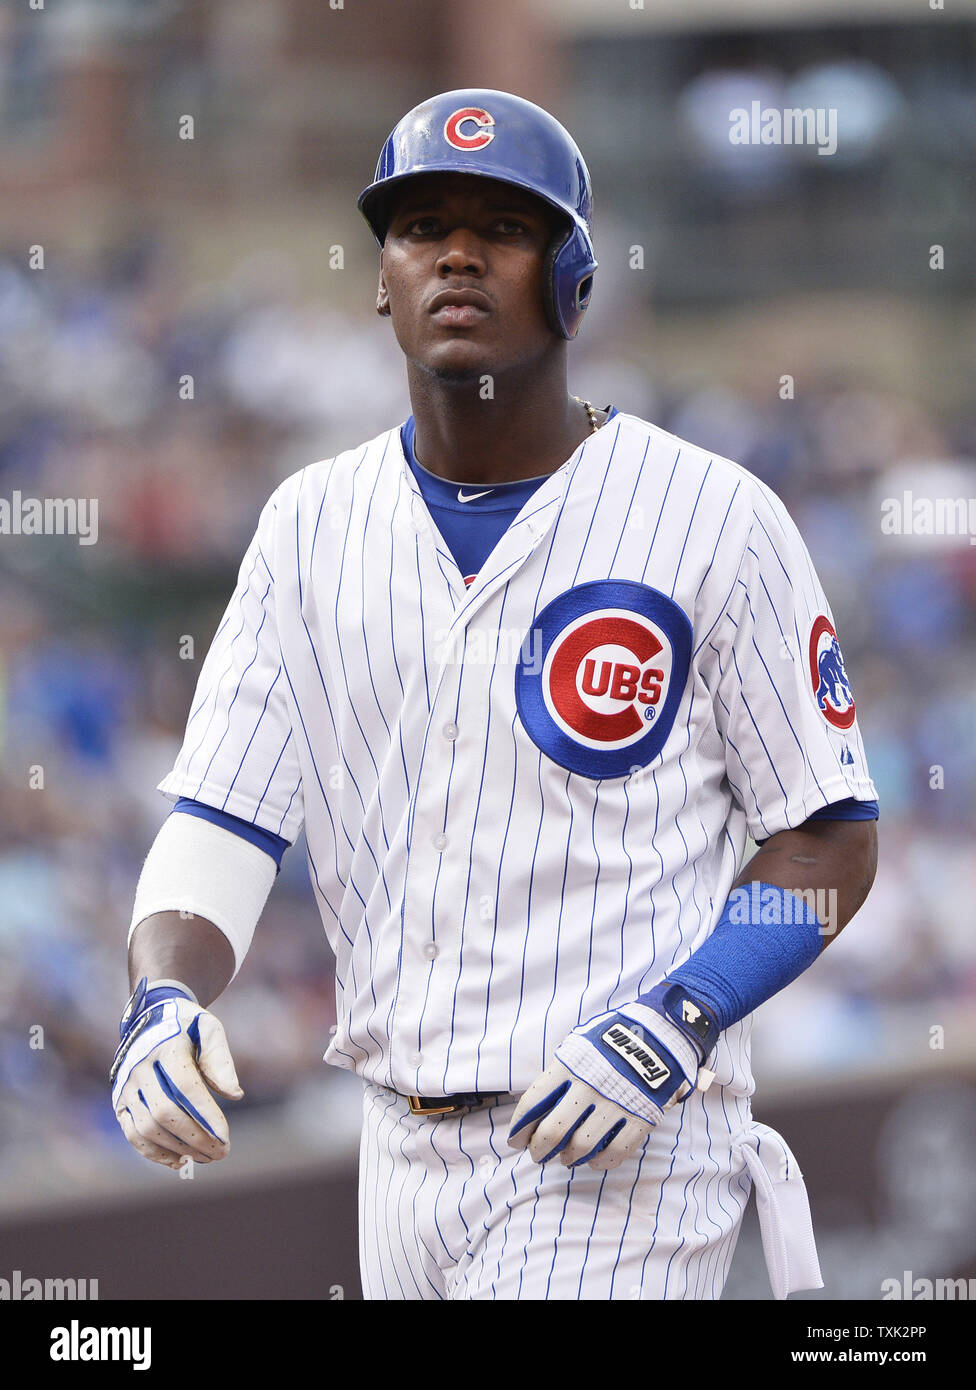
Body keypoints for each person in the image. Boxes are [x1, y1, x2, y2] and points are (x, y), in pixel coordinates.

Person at [111, 89, 879, 1301]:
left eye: (501, 225)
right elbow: (224, 817)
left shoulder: (713, 515)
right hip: (395, 1150)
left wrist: (686, 1015)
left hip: (622, 1141)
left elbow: (828, 837)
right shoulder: (309, 525)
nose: (455, 252)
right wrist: (161, 997)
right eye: (420, 226)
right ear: (380, 277)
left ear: (572, 276)